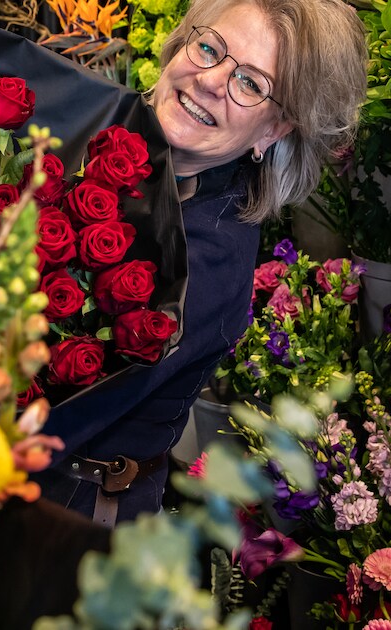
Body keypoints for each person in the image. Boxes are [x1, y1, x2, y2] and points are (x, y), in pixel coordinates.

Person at [29, 0, 368, 525]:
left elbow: (49, 418)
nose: (210, 80)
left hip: (63, 526)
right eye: (209, 48)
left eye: (251, 84)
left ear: (273, 132)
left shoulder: (205, 263)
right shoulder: (99, 130)